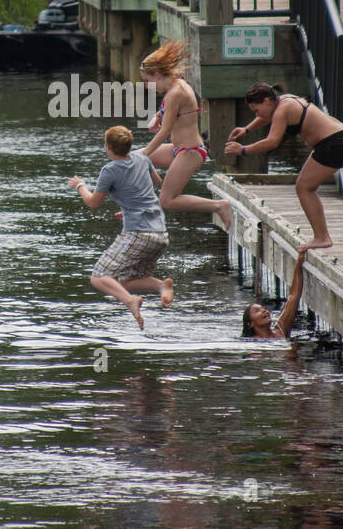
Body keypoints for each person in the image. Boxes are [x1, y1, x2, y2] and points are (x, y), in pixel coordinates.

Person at [224, 82, 343, 252]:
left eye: (256, 110)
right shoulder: (281, 101)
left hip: (335, 144)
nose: (256, 114)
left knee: (304, 188)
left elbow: (272, 142)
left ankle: (322, 238)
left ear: (266, 101)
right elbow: (265, 116)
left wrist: (243, 150)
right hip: (336, 139)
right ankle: (322, 236)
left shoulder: (282, 110)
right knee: (305, 187)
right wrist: (246, 129)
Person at [69, 125, 174, 330]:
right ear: (129, 144)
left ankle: (130, 302)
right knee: (122, 281)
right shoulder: (142, 158)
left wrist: (80, 185)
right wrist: (129, 209)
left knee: (99, 277)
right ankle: (161, 285)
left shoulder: (109, 170)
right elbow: (157, 182)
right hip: (160, 232)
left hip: (139, 232)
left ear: (107, 146)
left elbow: (93, 202)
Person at [138, 39, 233, 224]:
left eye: (147, 81)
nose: (147, 86)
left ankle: (219, 205)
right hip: (178, 149)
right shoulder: (176, 84)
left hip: (190, 152)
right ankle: (160, 189)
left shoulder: (175, 93)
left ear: (157, 75)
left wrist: (147, 151)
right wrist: (157, 116)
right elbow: (171, 111)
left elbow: (165, 131)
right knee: (136, 157)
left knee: (167, 200)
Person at [242, 253, 307, 339]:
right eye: (257, 311)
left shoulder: (281, 330)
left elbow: (293, 297)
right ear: (250, 324)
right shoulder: (252, 345)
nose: (264, 311)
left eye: (263, 308)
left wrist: (299, 261)